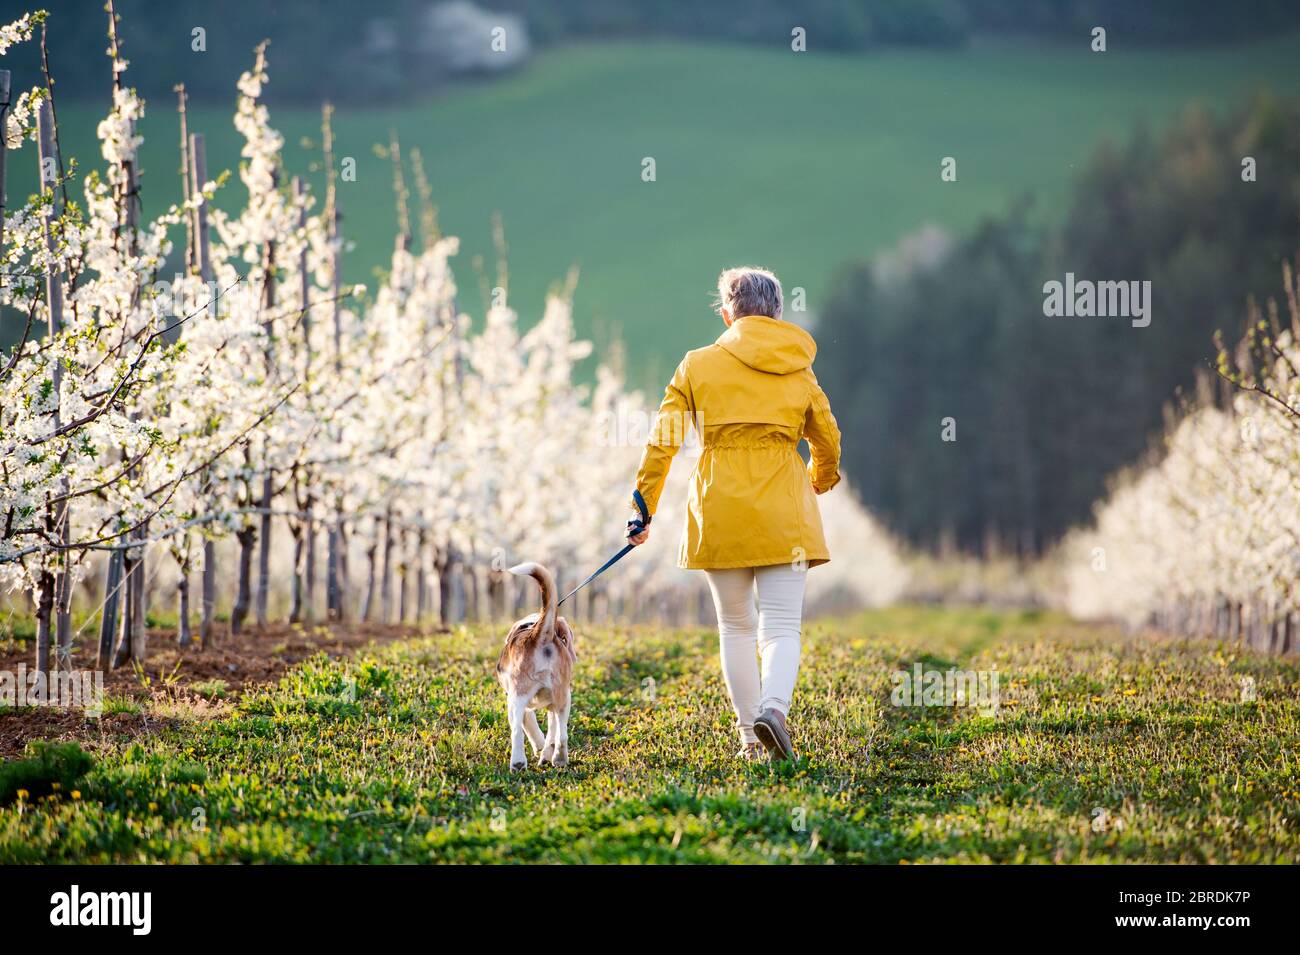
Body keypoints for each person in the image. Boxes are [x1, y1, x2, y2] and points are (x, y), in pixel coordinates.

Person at [629, 266, 841, 761]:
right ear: (777, 312)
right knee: (783, 625)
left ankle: (750, 737)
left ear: (727, 314)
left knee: (736, 627)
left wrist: (643, 508)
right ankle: (774, 708)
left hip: (719, 508)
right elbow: (827, 435)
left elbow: (663, 442)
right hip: (784, 509)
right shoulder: (798, 367)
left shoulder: (696, 365)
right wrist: (821, 479)